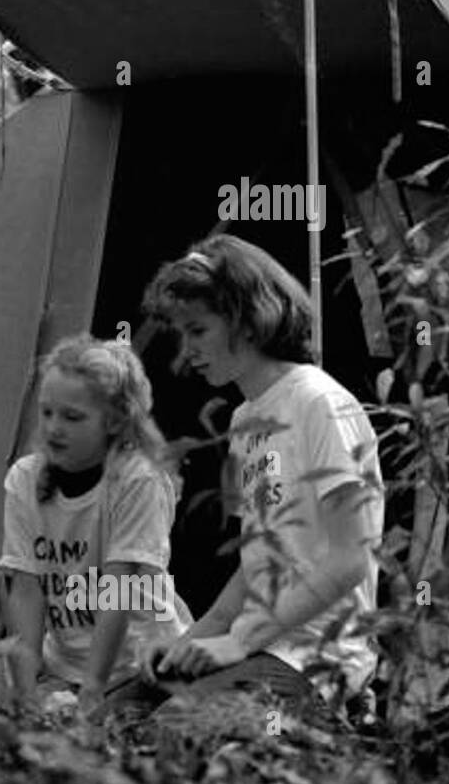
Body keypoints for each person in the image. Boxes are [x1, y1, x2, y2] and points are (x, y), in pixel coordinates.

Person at [139, 234, 384, 704]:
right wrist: (193, 639)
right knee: (114, 718)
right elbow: (258, 562)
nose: (185, 351)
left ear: (246, 319)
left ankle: (347, 715)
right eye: (181, 333)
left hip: (318, 655)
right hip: (258, 646)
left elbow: (351, 557)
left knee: (177, 737)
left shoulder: (320, 402)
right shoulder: (243, 420)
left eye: (197, 330)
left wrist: (240, 640)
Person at [0, 334, 190, 719]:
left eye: (72, 417)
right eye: (46, 412)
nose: (53, 429)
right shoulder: (24, 478)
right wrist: (27, 679)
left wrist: (92, 689)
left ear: (115, 421)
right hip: (65, 661)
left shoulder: (137, 480)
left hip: (141, 662)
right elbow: (26, 587)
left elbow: (118, 590)